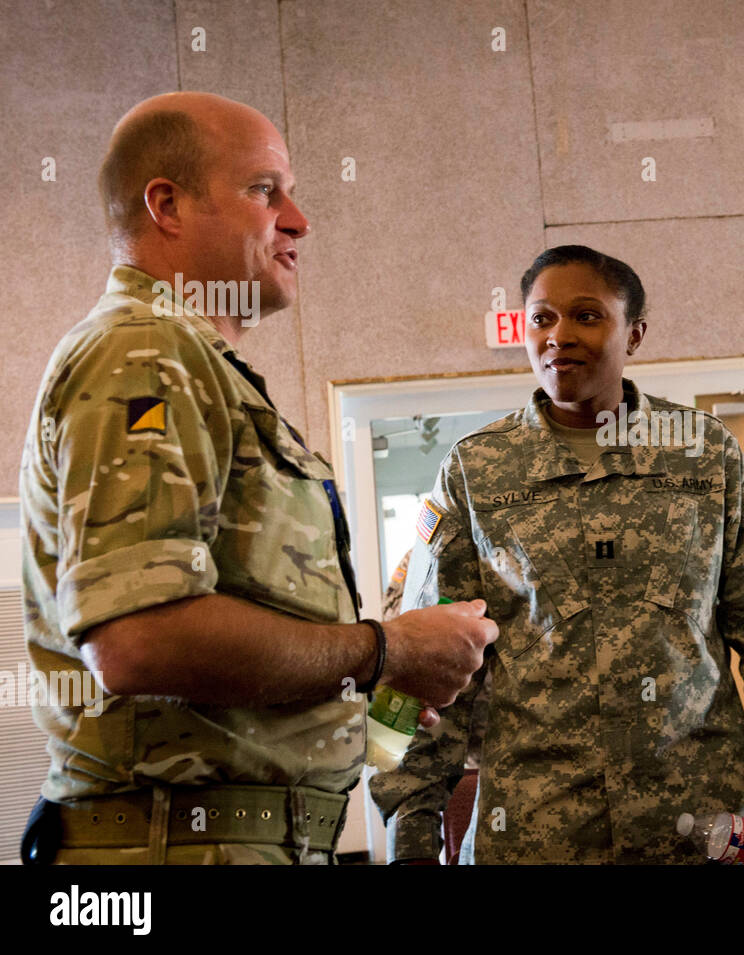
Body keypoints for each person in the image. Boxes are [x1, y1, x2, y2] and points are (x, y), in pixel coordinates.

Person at [18, 92, 496, 865]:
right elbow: (138, 640)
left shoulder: (199, 367)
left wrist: (356, 697)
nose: (299, 219)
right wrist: (383, 649)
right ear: (167, 205)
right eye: (264, 190)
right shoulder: (142, 351)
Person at [370, 245, 744, 864]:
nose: (558, 336)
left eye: (587, 316)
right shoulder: (474, 471)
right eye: (541, 319)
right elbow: (421, 666)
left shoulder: (706, 456)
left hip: (704, 829)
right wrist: (411, 832)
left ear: (635, 334)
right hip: (537, 837)